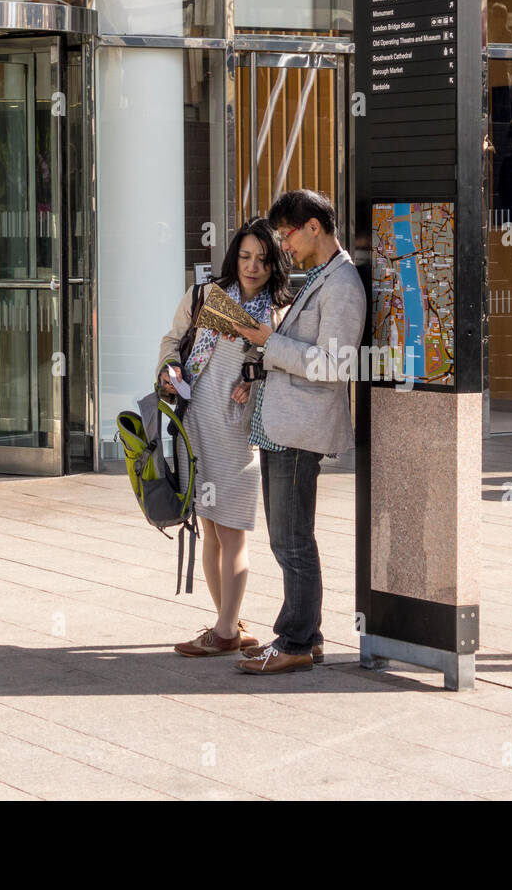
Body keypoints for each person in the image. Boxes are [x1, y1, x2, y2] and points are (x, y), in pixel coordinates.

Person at [230, 189, 366, 675]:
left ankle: (295, 643)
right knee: (287, 538)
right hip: (282, 424)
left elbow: (335, 365)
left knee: (291, 541)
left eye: (286, 233)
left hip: (299, 429)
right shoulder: (323, 277)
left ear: (313, 226)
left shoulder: (342, 283)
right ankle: (306, 636)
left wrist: (270, 344)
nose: (282, 245)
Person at [156, 219, 294, 656]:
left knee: (233, 532)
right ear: (234, 255)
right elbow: (172, 341)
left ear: (276, 265)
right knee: (210, 531)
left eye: (263, 259)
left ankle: (225, 632)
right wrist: (168, 369)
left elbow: (288, 367)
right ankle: (229, 623)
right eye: (245, 256)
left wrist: (256, 375)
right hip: (194, 426)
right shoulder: (205, 297)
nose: (252, 267)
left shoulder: (280, 313)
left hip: (238, 433)